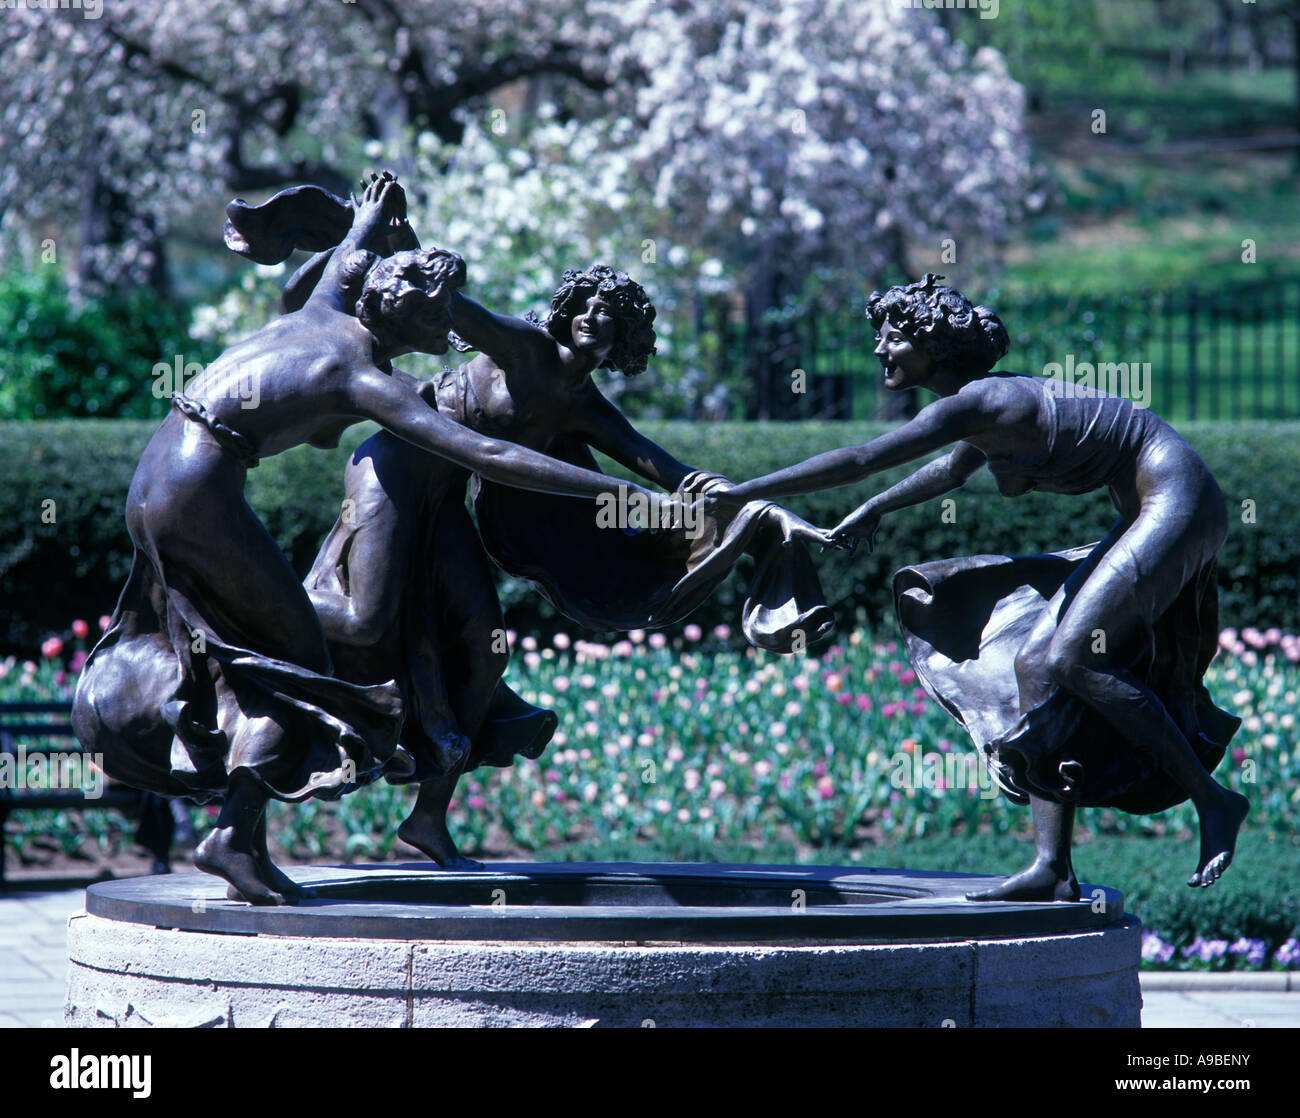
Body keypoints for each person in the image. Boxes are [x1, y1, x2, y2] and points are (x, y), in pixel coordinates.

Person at [73, 174, 667, 905]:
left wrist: (377, 214)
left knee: (291, 642)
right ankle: (233, 837)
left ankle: (255, 804)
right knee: (300, 663)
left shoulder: (330, 310)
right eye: (433, 322)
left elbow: (355, 252)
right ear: (401, 309)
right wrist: (620, 494)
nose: (445, 337)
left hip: (161, 472)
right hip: (196, 486)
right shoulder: (361, 374)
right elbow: (492, 456)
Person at [708, 273, 1248, 899]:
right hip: (1148, 510)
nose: (879, 350)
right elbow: (950, 469)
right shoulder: (981, 410)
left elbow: (861, 456)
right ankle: (1053, 867)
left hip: (1178, 502)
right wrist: (876, 508)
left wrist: (744, 490)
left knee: (1071, 656)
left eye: (892, 338)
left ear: (931, 346)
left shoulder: (982, 401)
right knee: (1036, 666)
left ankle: (1213, 801)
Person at [306, 264, 833, 868]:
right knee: (365, 622)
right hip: (392, 473)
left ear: (621, 343)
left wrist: (759, 513)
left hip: (443, 500)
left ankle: (427, 818)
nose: (591, 317)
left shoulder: (585, 407)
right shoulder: (525, 347)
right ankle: (255, 616)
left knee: (486, 650)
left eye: (609, 315)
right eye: (584, 304)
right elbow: (457, 308)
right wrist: (403, 251)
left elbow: (672, 474)